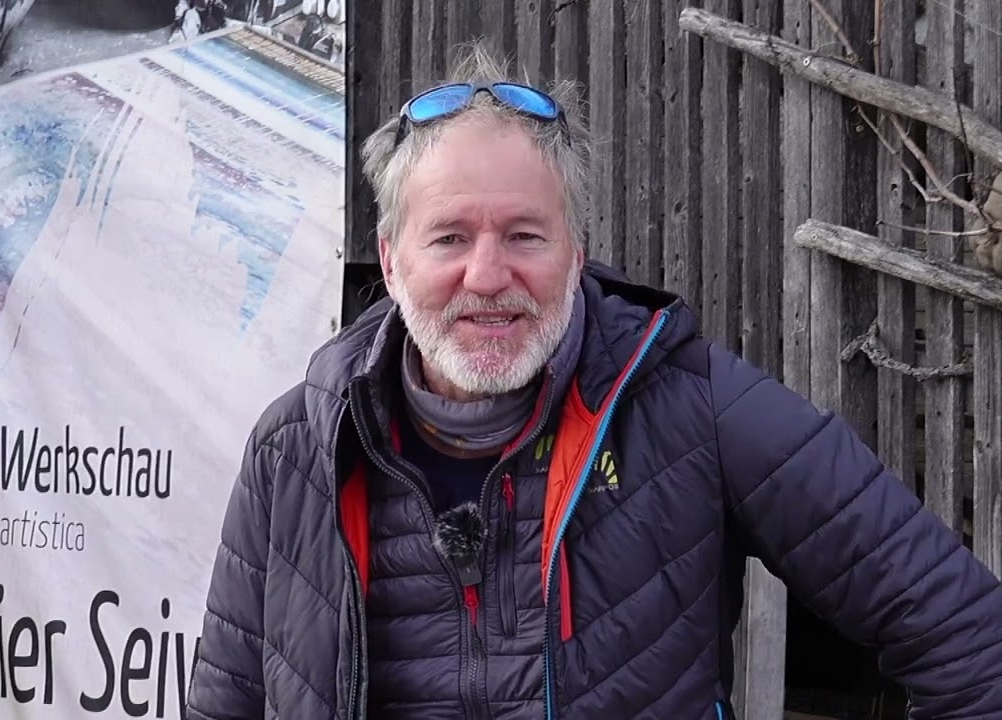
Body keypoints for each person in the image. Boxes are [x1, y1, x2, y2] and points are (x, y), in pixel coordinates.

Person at [185, 40, 1002, 719]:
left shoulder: (693, 406)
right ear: (391, 263)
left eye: (525, 235)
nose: (487, 276)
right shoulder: (298, 449)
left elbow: (969, 637)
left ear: (575, 255)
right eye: (449, 238)